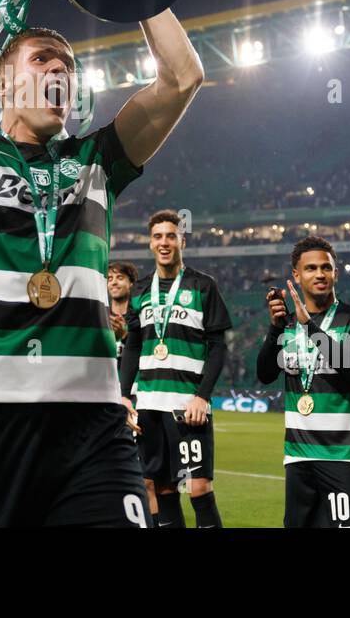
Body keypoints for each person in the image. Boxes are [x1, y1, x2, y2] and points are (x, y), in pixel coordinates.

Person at [0, 0, 203, 528]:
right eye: (42, 59)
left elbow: (182, 79)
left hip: (93, 422)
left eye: (68, 65)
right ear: (1, 85)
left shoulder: (97, 161)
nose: (60, 68)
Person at [120, 210, 231, 528]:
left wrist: (202, 397)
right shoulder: (140, 290)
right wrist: (125, 397)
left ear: (182, 239)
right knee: (164, 488)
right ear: (150, 243)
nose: (164, 242)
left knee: (199, 488)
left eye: (171, 235)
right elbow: (133, 346)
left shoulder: (203, 286)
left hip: (187, 407)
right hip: (150, 405)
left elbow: (218, 346)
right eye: (158, 236)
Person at [258, 236, 350, 528]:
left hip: (344, 458)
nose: (320, 274)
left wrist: (308, 326)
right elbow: (264, 374)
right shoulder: (285, 325)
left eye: (326, 267)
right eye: (311, 268)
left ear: (336, 272)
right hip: (298, 458)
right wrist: (275, 331)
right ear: (296, 276)